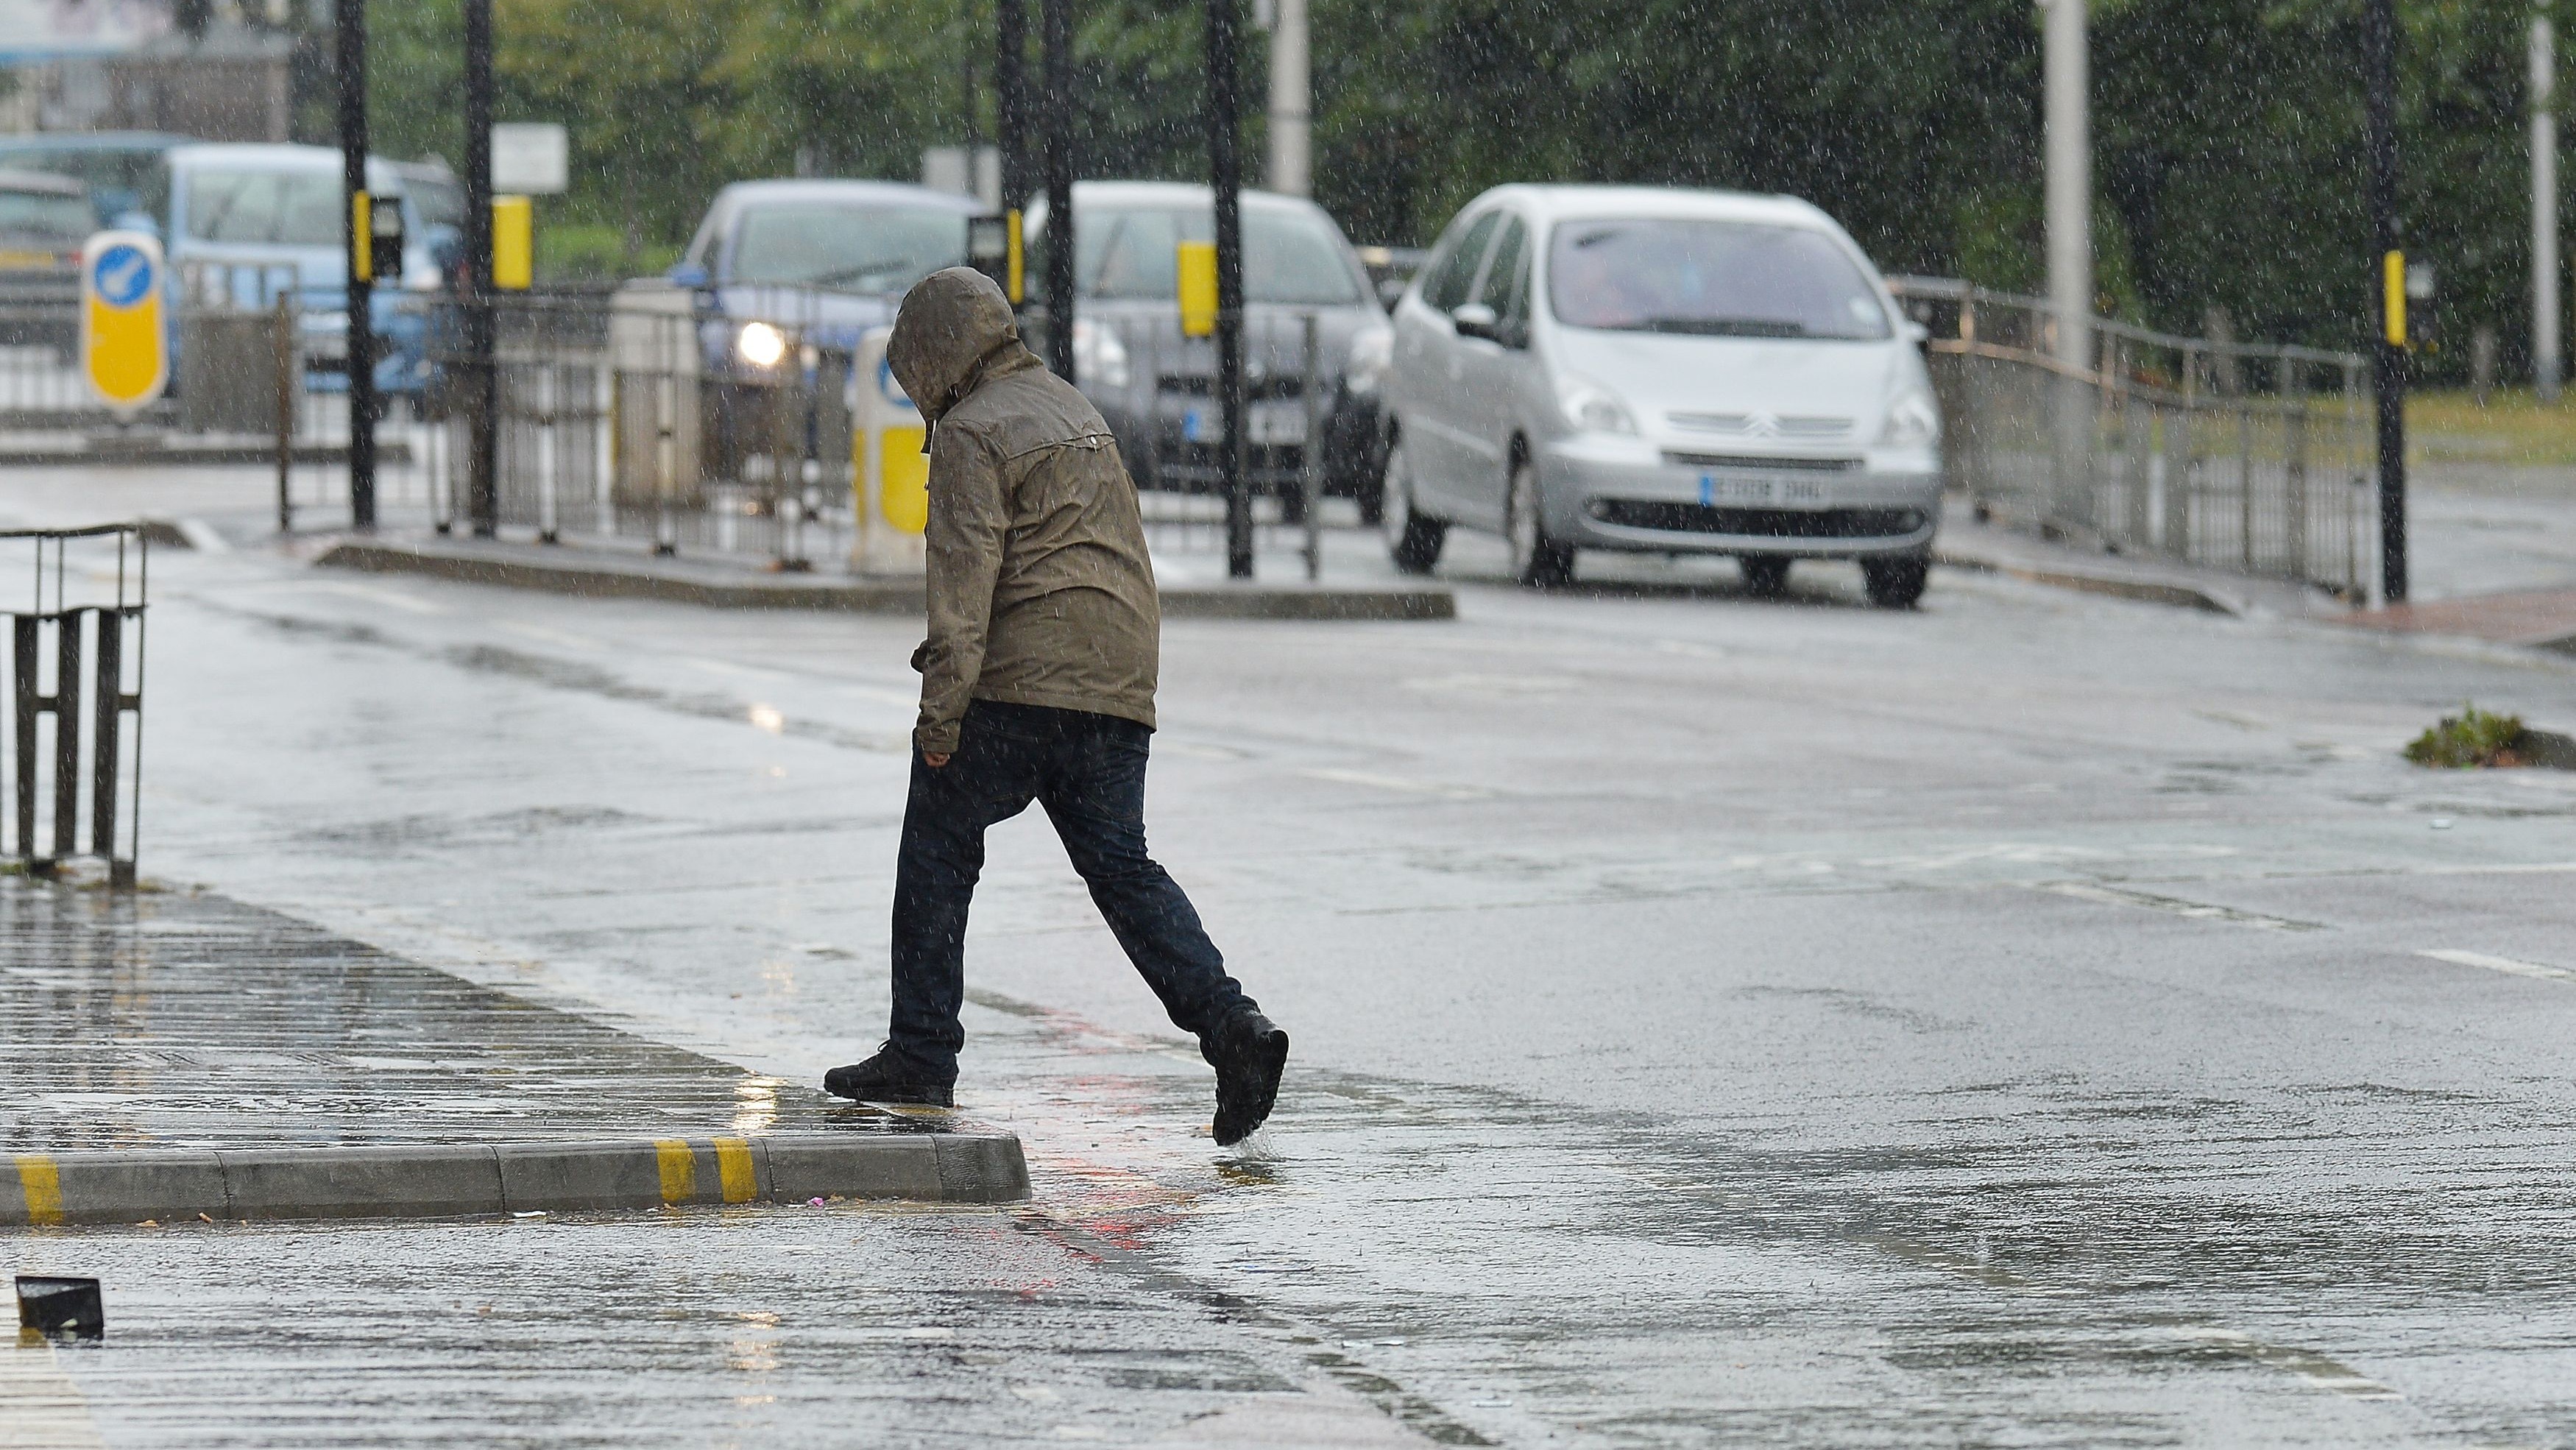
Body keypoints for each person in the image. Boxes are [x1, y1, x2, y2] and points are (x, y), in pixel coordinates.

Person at [824, 267, 1289, 1147]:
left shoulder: (971, 430)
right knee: (1123, 870)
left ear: (932, 358)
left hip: (1019, 685)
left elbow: (962, 587)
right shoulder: (1071, 407)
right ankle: (1234, 1030)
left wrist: (939, 719)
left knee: (937, 843)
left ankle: (921, 1050)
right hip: (1115, 681)